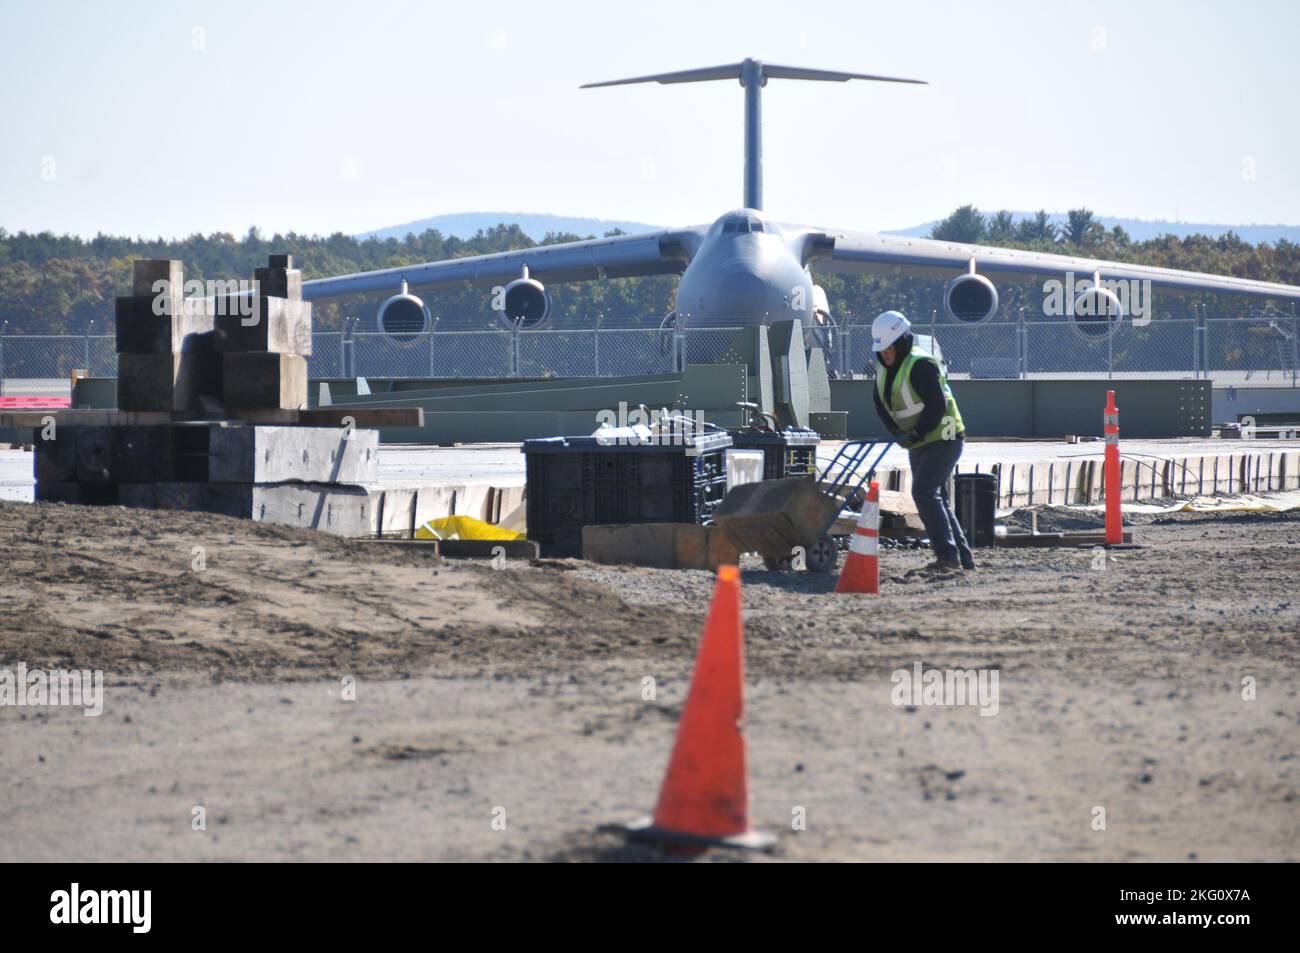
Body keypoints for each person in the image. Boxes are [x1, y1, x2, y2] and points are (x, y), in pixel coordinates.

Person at [869, 310, 975, 574]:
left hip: (944, 437)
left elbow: (937, 404)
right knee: (936, 497)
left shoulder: (921, 365)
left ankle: (946, 558)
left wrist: (917, 432)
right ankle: (963, 559)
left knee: (924, 492)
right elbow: (880, 405)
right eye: (881, 349)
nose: (885, 354)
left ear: (902, 342)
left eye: (890, 348)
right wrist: (896, 432)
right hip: (916, 442)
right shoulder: (883, 371)